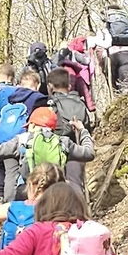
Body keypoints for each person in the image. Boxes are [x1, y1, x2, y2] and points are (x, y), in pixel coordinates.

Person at [0, 68, 42, 201]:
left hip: (5, 137)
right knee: (29, 170)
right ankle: (28, 200)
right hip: (24, 140)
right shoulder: (36, 98)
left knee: (10, 172)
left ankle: (6, 201)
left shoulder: (11, 96)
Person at [46, 67, 96, 198]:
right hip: (76, 147)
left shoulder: (51, 104)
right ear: (69, 86)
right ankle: (79, 206)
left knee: (55, 181)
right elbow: (87, 126)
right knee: (75, 181)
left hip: (56, 147)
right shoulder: (79, 102)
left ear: (50, 86)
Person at [96, 9, 128, 97]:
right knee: (125, 86)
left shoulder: (103, 31)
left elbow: (99, 50)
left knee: (114, 87)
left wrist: (101, 65)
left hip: (110, 57)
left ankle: (117, 101)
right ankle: (126, 101)